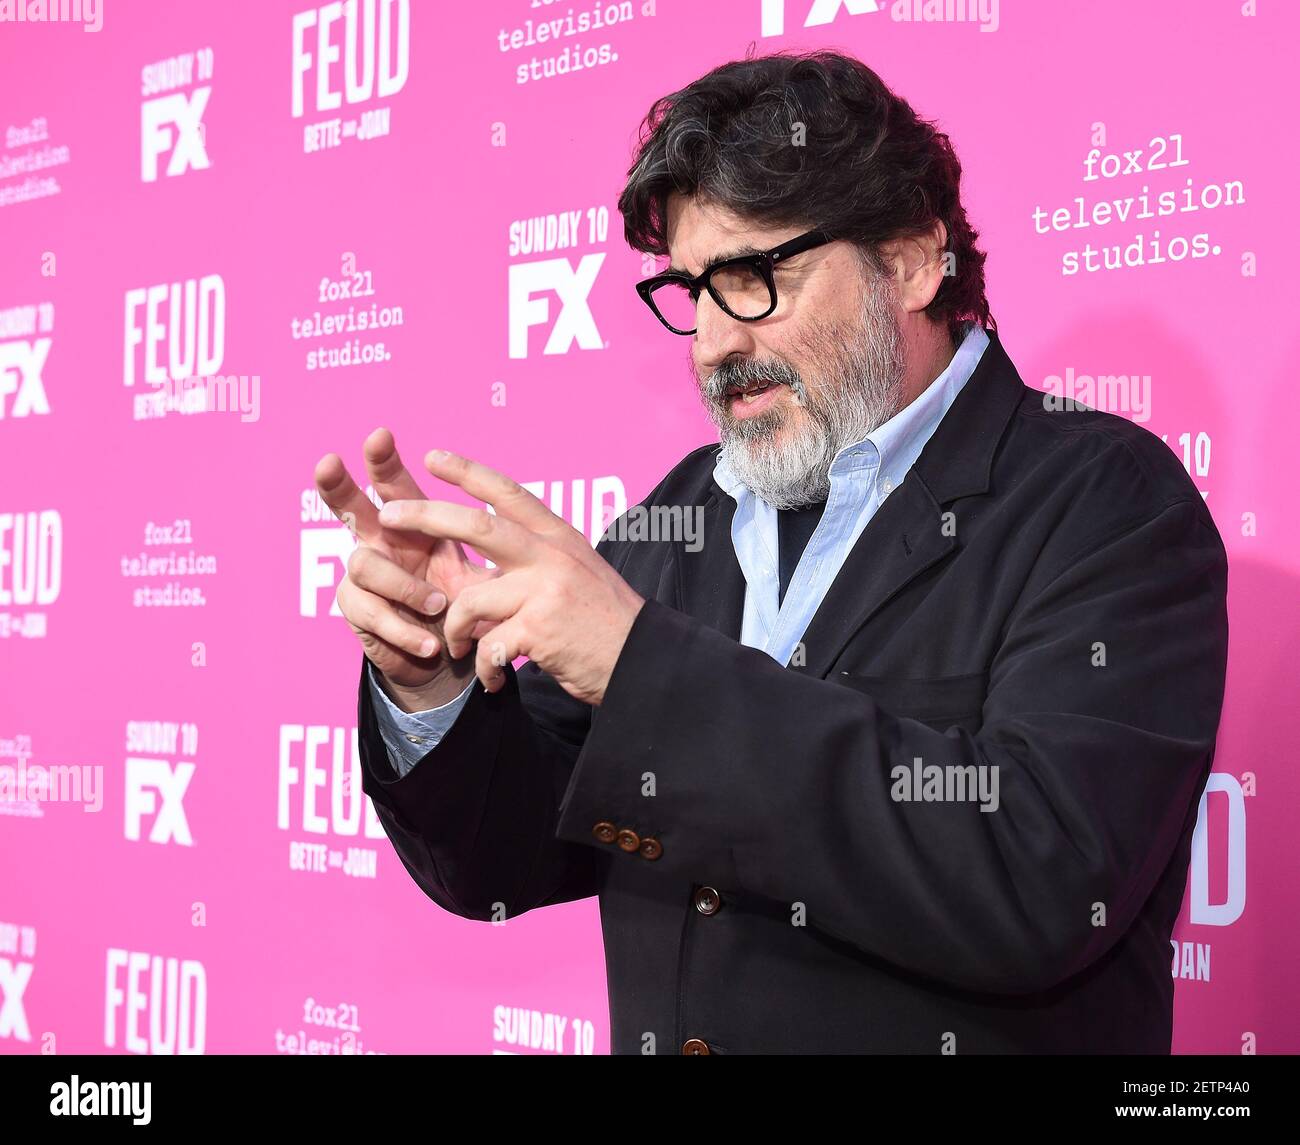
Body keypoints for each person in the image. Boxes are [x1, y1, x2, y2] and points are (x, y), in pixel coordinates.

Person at [314, 49, 1228, 1054]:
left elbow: (1041, 876)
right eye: (691, 289)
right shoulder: (685, 511)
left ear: (917, 259)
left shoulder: (1106, 501)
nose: (709, 342)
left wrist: (642, 671)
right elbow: (501, 857)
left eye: (753, 276)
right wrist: (430, 685)